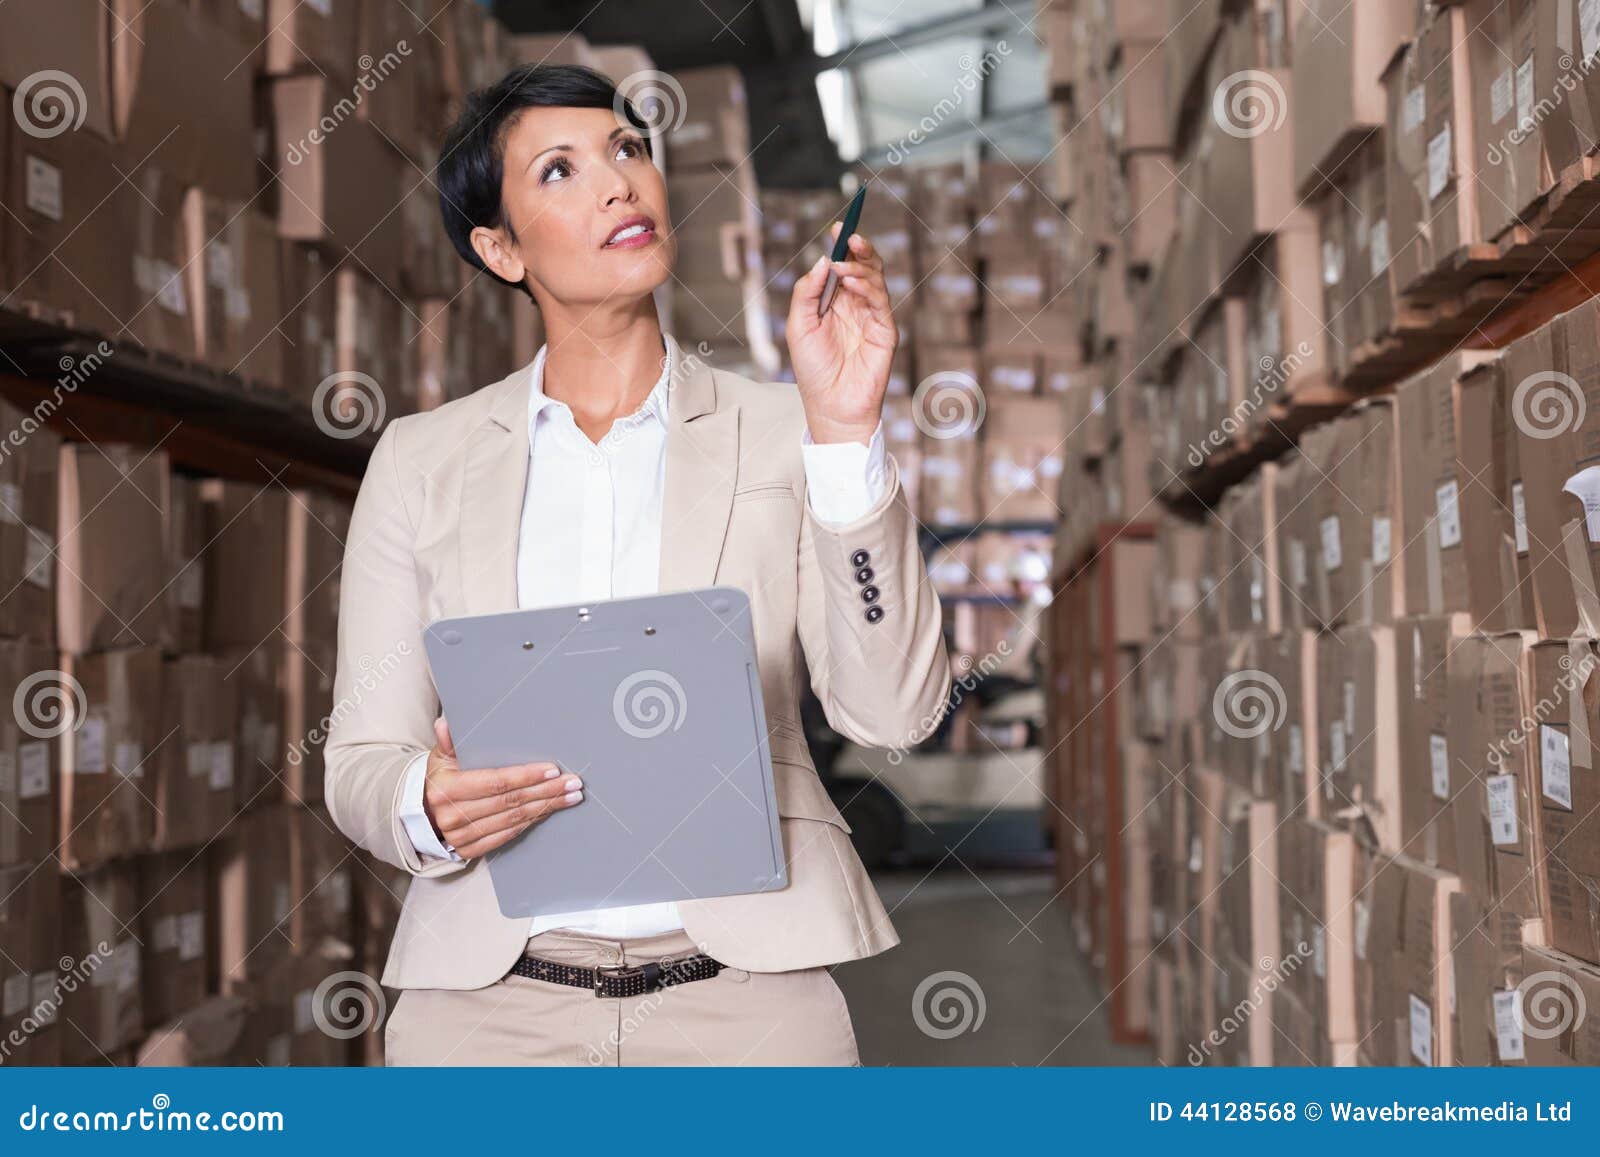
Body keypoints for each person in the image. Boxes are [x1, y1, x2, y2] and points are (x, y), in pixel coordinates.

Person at [323, 63, 952, 1066]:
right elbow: (359, 758)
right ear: (498, 247)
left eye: (628, 150)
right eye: (562, 170)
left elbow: (895, 713)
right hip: (487, 1013)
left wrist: (843, 436)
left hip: (748, 1006)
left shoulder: (785, 431)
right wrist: (422, 803)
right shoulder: (422, 459)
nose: (619, 183)